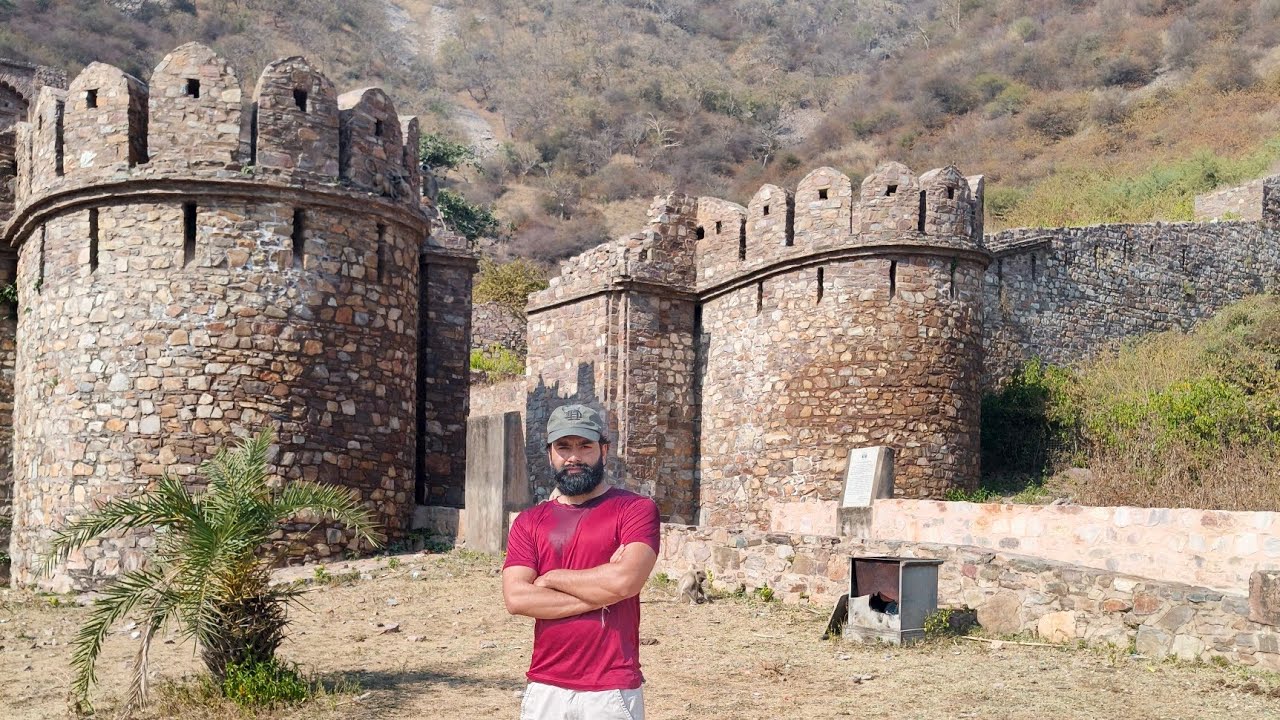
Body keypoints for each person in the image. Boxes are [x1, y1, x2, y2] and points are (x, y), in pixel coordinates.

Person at [502, 403, 661, 720]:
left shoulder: (635, 510)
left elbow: (625, 582)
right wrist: (605, 593)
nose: (573, 457)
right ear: (550, 453)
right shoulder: (529, 522)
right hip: (545, 688)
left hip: (610, 690)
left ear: (603, 449)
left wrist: (551, 578)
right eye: (563, 446)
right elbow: (517, 598)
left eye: (584, 446)